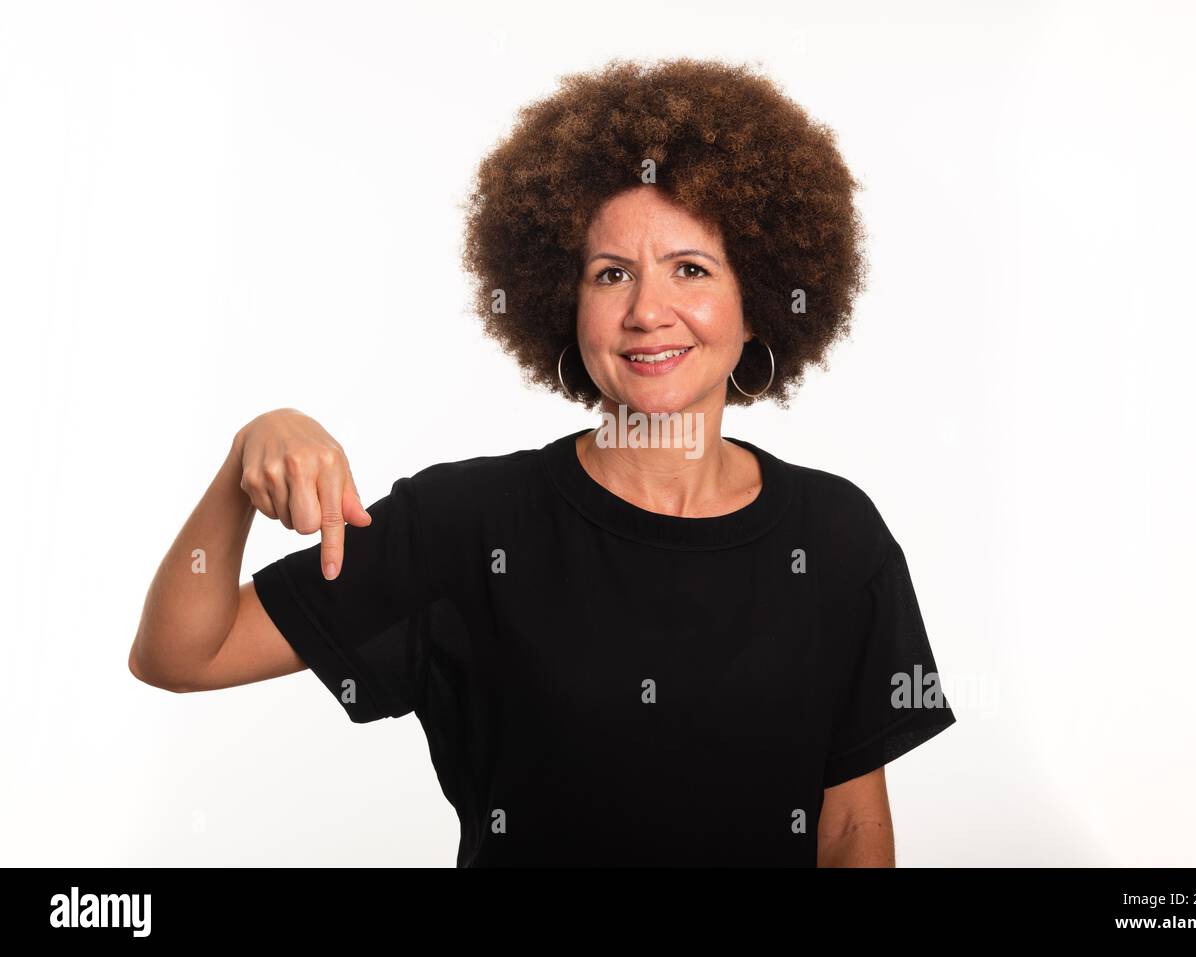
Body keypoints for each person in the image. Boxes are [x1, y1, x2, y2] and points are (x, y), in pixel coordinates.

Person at [130, 56, 957, 867]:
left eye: (691, 269)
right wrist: (244, 460)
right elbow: (178, 655)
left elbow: (849, 829)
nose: (646, 312)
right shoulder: (465, 522)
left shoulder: (838, 533)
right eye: (611, 274)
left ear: (759, 302)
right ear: (564, 303)